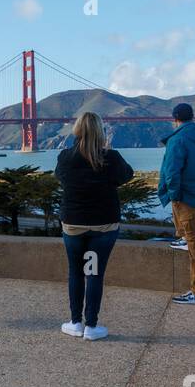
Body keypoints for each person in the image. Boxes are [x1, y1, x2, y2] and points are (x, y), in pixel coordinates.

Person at [55, 112, 134, 339]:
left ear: (77, 131)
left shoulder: (64, 157)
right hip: (104, 225)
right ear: (101, 132)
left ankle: (75, 323)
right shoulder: (112, 158)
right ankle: (91, 326)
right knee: (94, 273)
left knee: (76, 272)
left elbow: (60, 177)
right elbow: (126, 176)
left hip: (73, 224)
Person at [158, 103, 195, 305]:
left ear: (175, 119)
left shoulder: (178, 139)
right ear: (192, 117)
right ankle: (181, 236)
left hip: (184, 196)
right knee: (190, 238)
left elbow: (172, 170)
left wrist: (174, 194)